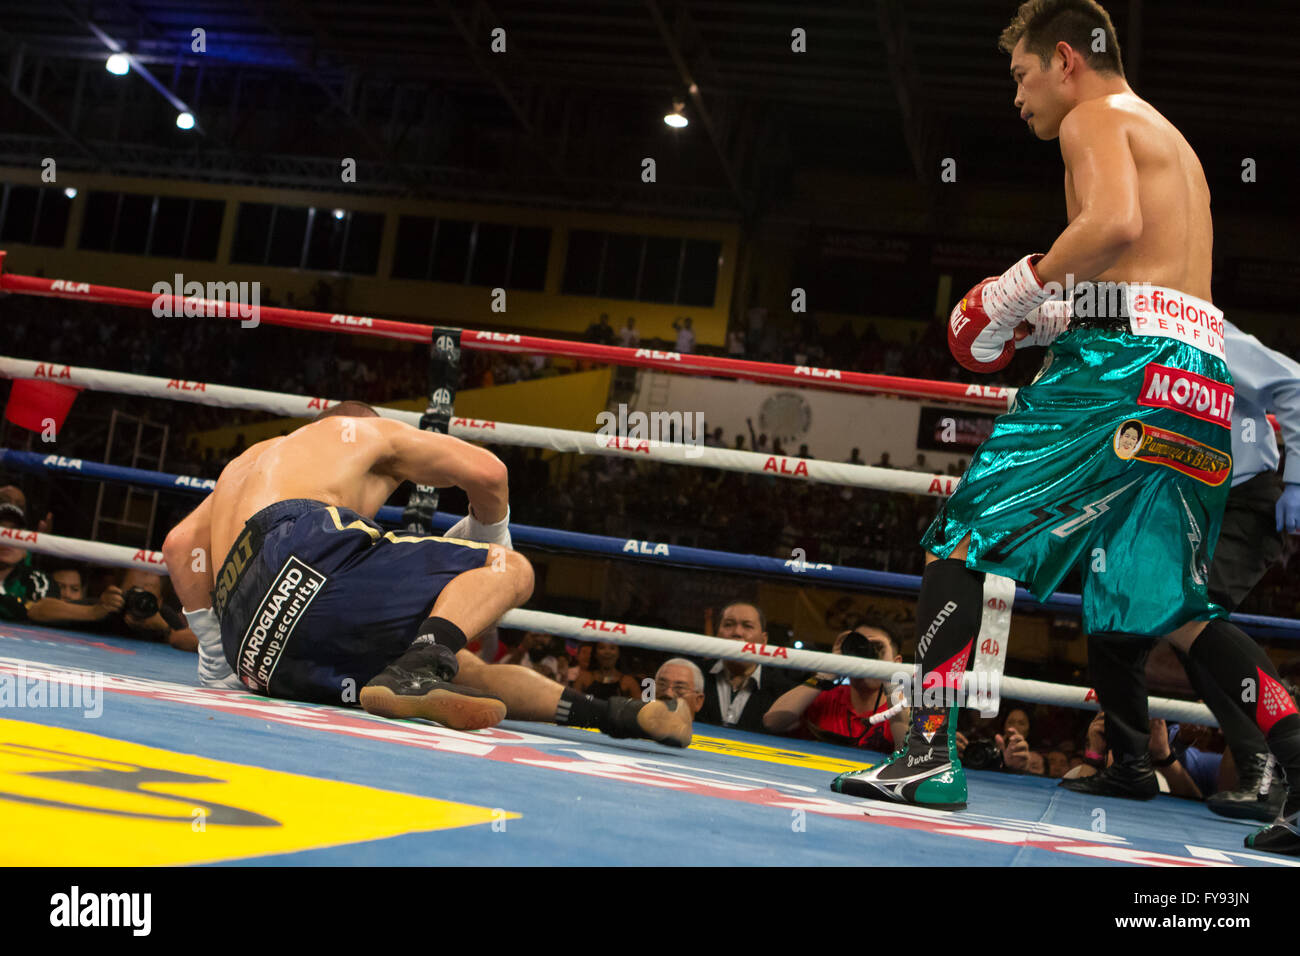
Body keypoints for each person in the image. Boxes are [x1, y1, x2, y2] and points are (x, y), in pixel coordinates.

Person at [831, 0, 1300, 857]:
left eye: (1020, 76)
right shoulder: (1173, 141)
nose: (1017, 98)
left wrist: (1018, 287)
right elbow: (1150, 281)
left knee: (959, 542)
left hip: (1120, 372)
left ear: (1065, 58)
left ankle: (929, 752)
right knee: (1177, 606)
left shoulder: (1094, 117)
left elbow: (1113, 225)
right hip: (1196, 378)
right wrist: (1051, 314)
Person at [161, 401, 690, 747]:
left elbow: (181, 545)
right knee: (511, 569)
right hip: (304, 552)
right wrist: (492, 554)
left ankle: (619, 715)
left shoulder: (247, 464)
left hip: (256, 650)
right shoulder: (366, 435)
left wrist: (217, 657)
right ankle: (417, 669)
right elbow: (489, 472)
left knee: (452, 662)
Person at [762, 623, 910, 752]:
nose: (866, 658)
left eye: (876, 650)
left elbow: (908, 751)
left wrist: (889, 672)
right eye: (861, 648)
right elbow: (772, 722)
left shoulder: (904, 708)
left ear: (896, 661)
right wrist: (828, 670)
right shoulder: (825, 697)